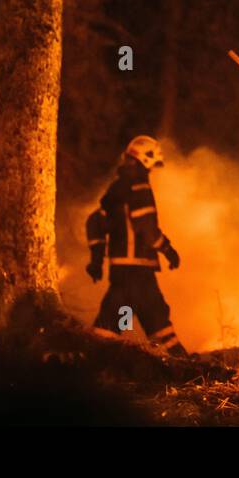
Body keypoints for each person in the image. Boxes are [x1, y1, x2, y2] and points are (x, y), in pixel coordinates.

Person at [85, 136, 187, 356]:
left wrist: (96, 260)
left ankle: (94, 365)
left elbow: (95, 223)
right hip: (139, 270)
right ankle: (183, 367)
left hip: (121, 271)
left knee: (114, 321)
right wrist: (168, 250)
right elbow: (146, 228)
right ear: (146, 158)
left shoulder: (116, 188)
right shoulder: (139, 186)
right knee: (155, 317)